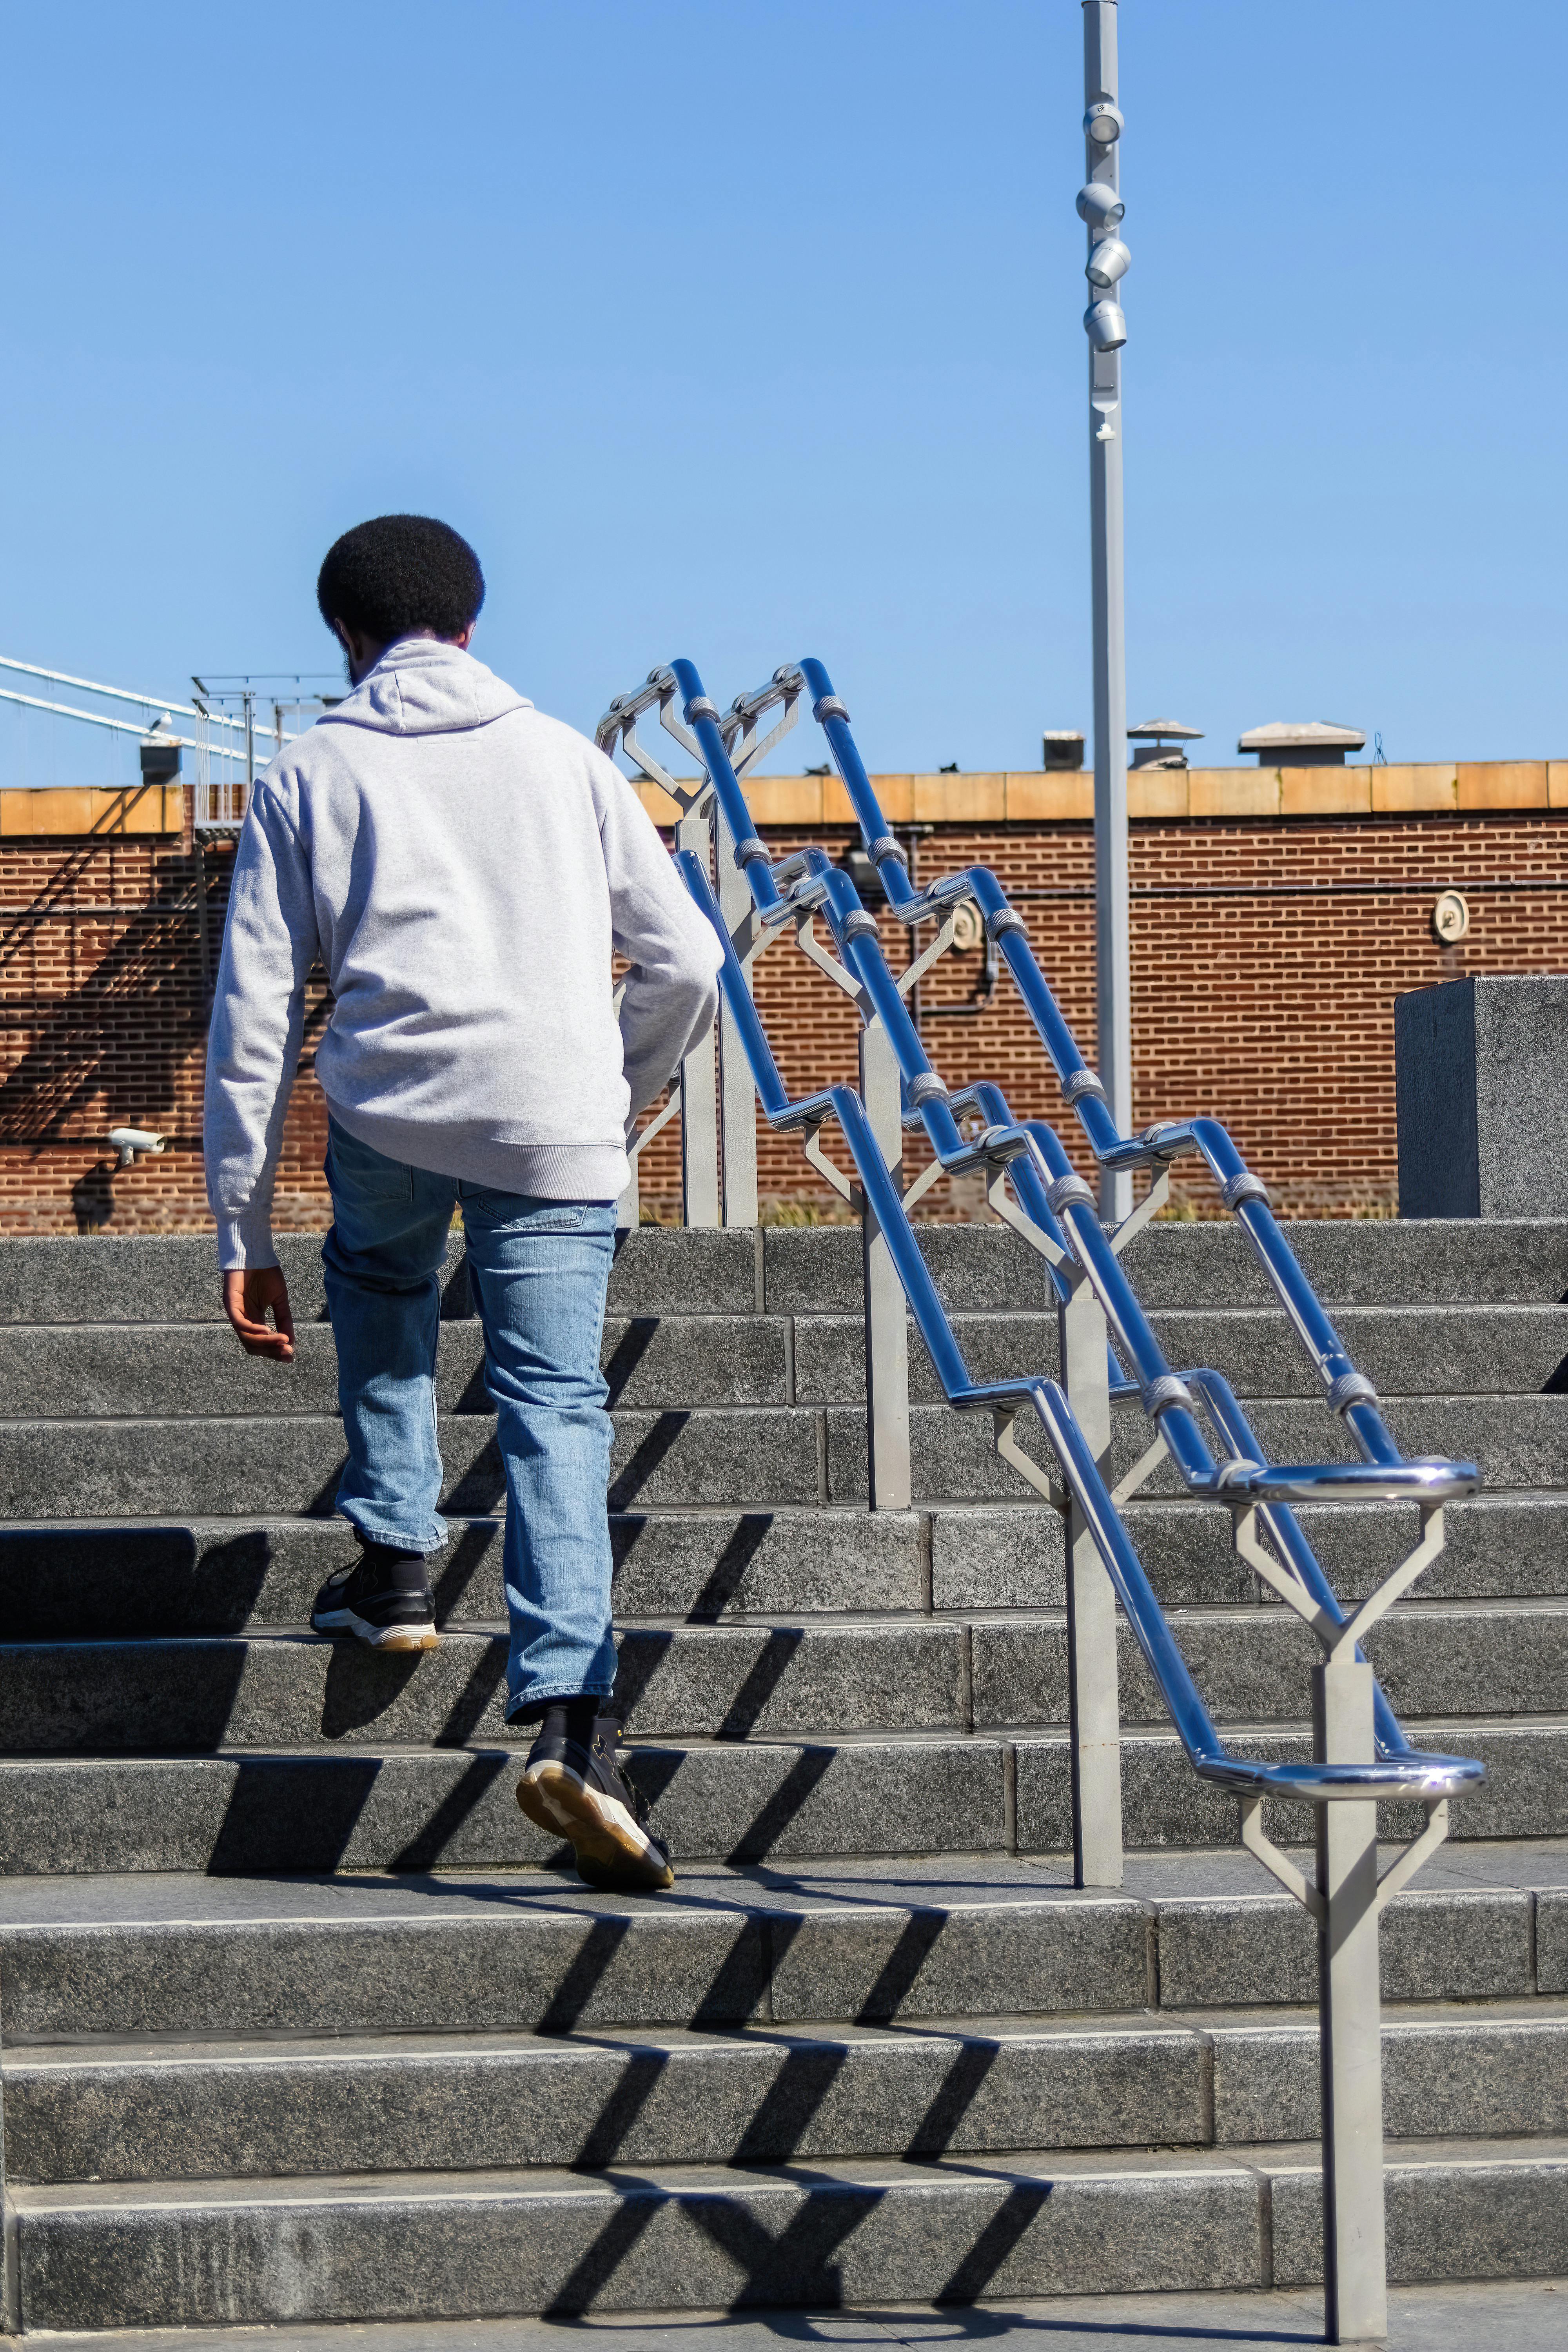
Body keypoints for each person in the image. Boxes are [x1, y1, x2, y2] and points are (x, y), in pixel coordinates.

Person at [203, 513, 722, 1894]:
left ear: (346, 640)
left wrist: (239, 1227)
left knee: (376, 1286)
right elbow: (689, 958)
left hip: (390, 1107)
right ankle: (576, 1725)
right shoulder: (568, 761)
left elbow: (255, 1011)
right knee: (554, 1401)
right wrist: (614, 1085)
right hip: (554, 1121)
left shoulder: (311, 769)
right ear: (473, 628)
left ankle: (397, 1565)